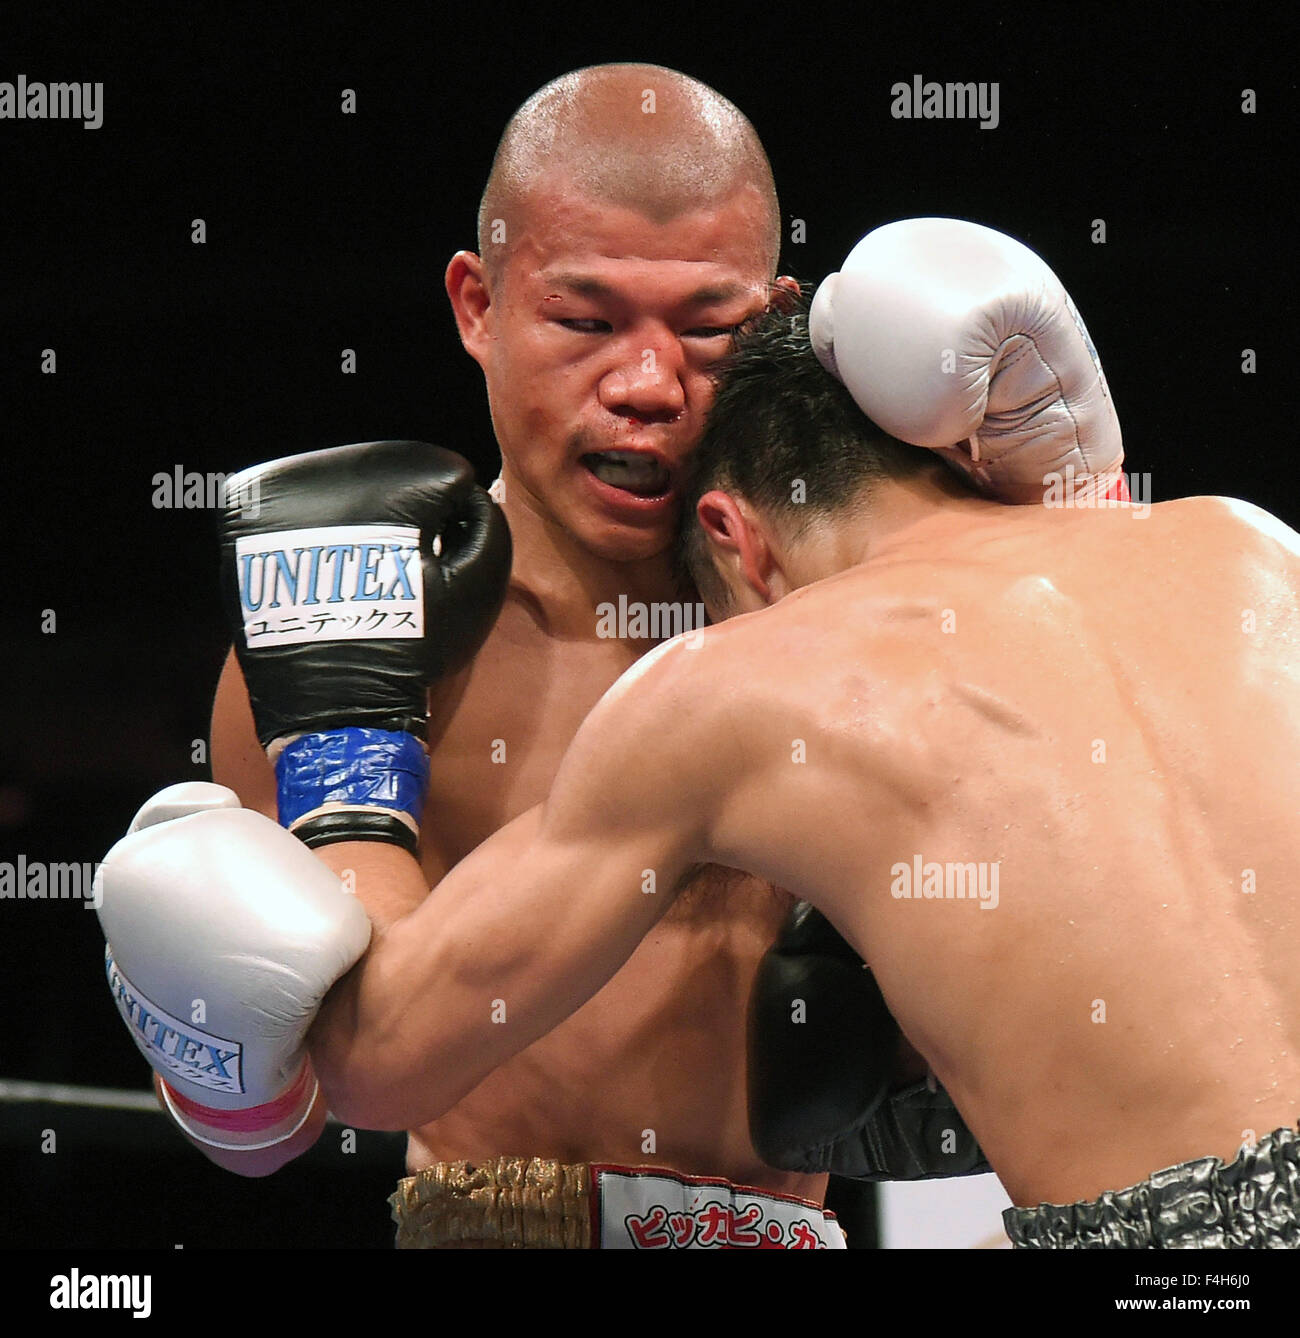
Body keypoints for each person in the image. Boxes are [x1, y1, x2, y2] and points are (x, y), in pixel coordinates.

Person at [304, 293, 1300, 1246]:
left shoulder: (732, 685)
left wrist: (341, 725)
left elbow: (374, 1060)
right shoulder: (1247, 545)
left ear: (735, 538)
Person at [198, 62, 847, 1247]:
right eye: (585, 322)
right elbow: (265, 1117)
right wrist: (195, 1027)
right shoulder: (353, 650)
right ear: (477, 305)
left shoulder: (846, 627)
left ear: (776, 326)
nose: (647, 386)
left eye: (709, 329)